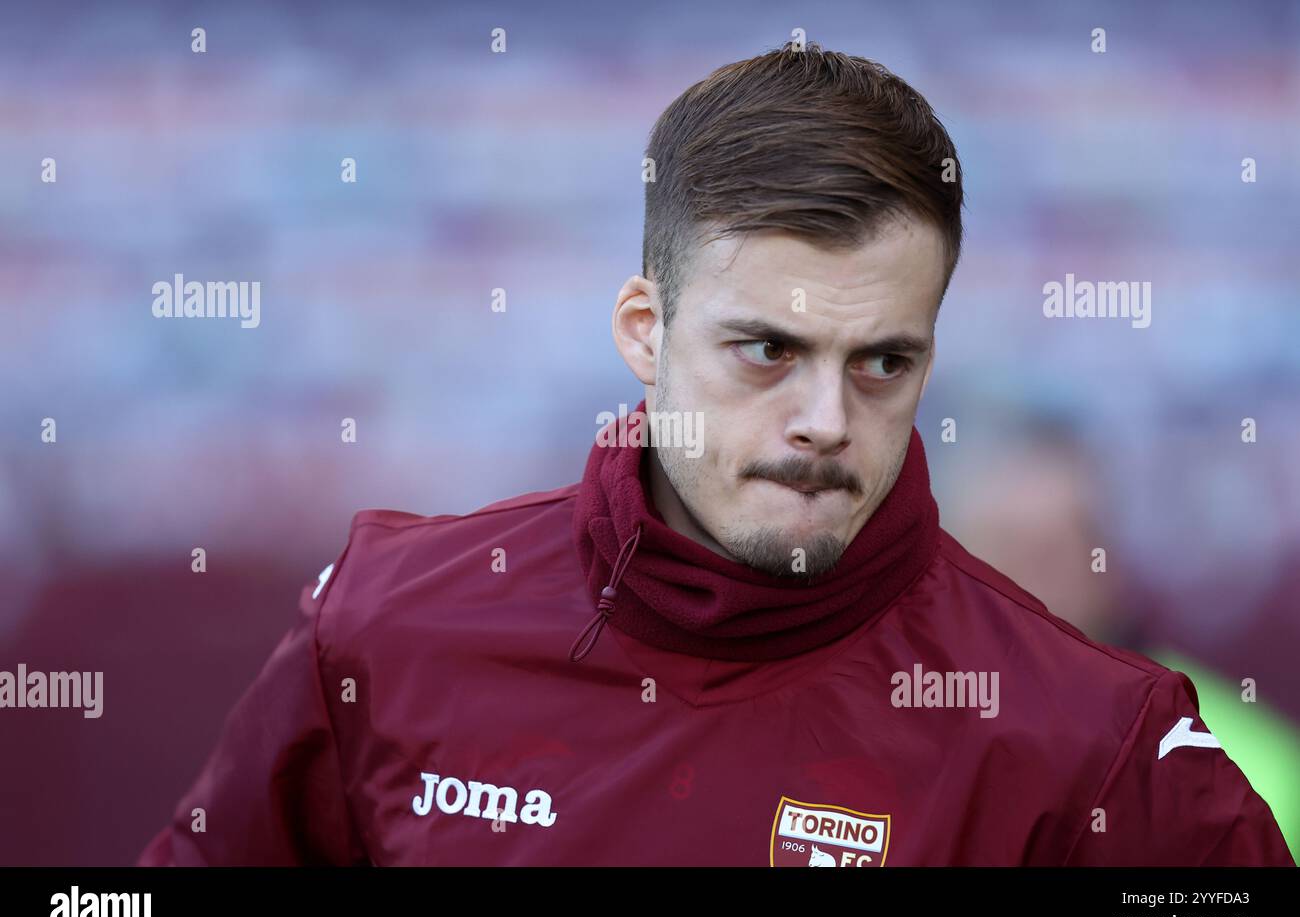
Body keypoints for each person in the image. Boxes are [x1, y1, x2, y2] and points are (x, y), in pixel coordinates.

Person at [138, 42, 1293, 866]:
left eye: (881, 362)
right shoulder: (385, 623)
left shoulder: (1096, 741)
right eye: (765, 350)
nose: (825, 418)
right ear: (645, 331)